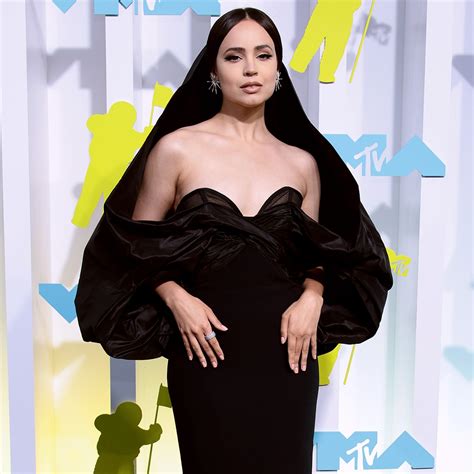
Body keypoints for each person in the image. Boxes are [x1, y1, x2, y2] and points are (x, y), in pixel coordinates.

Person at [75, 7, 393, 474]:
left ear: (278, 69)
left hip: (287, 354)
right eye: (234, 56)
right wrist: (176, 297)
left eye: (264, 55)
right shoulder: (177, 149)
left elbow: (318, 252)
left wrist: (313, 295)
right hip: (206, 350)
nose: (250, 69)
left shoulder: (303, 162)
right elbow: (134, 248)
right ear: (213, 70)